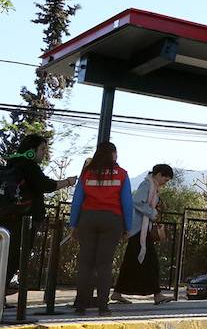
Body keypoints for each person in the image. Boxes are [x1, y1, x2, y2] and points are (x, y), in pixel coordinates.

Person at [0, 134, 77, 295]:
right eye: (42, 149)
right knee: (16, 257)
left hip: (8, 218)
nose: (44, 153)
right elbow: (45, 185)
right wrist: (68, 182)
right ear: (31, 151)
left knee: (7, 256)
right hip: (24, 220)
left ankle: (2, 293)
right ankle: (1, 292)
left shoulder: (13, 163)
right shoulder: (29, 165)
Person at [70, 142, 136, 315]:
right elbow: (127, 203)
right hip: (112, 220)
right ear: (113, 154)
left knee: (85, 263)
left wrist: (73, 224)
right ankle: (103, 306)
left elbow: (77, 200)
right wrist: (128, 227)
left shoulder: (87, 173)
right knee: (104, 264)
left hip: (87, 218)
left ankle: (81, 304)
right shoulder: (122, 174)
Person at [112, 164, 175, 305]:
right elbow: (136, 202)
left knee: (131, 262)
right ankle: (157, 294)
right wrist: (152, 213)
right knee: (151, 262)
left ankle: (118, 292)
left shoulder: (151, 186)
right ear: (158, 175)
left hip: (139, 230)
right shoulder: (147, 186)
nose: (165, 183)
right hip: (139, 230)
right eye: (165, 179)